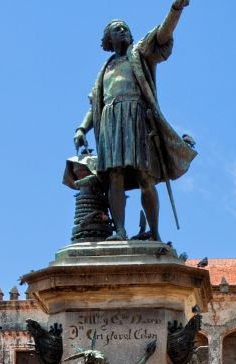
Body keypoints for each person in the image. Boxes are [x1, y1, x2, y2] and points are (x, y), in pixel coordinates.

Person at [73, 0, 196, 242]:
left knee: (145, 177)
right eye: (118, 29)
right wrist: (81, 128)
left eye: (126, 28)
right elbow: (94, 104)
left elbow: (162, 33)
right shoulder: (105, 69)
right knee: (114, 176)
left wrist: (175, 9)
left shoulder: (139, 53)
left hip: (136, 117)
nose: (124, 31)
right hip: (109, 120)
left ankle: (155, 233)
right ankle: (119, 231)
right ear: (109, 39)